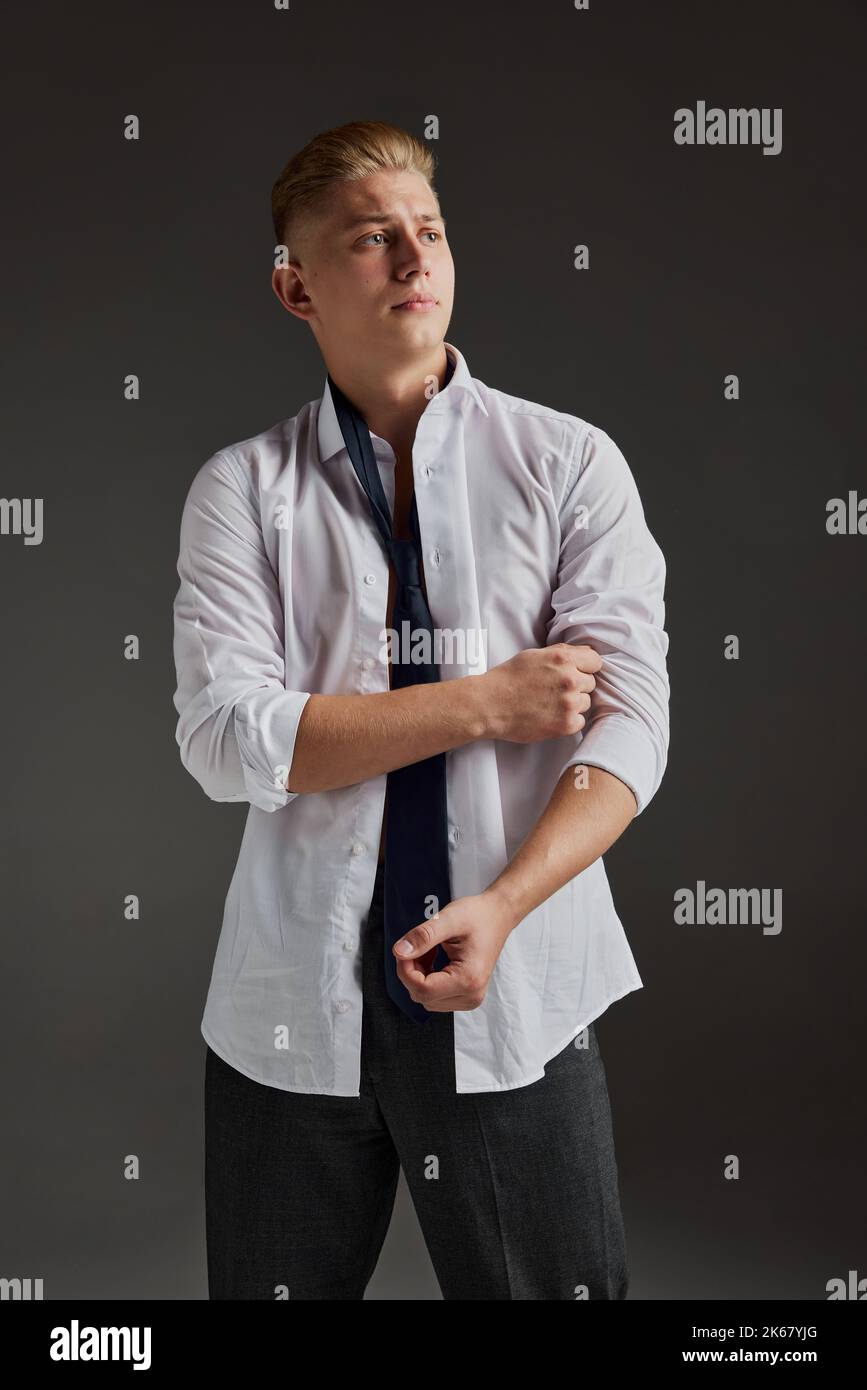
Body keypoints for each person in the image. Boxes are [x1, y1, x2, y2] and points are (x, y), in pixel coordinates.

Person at [172, 119, 670, 1300]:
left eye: (431, 232)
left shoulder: (569, 463)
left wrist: (501, 906)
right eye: (372, 238)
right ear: (296, 285)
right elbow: (228, 741)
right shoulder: (242, 491)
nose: (415, 259)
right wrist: (490, 701)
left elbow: (630, 727)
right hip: (291, 1011)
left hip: (523, 986)